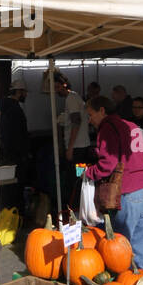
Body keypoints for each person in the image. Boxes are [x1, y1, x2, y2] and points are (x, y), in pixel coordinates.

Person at [84, 94, 143, 271]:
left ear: (102, 110)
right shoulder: (132, 126)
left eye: (91, 114)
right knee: (140, 252)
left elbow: (107, 165)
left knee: (119, 254)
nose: (89, 120)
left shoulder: (108, 126)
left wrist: (88, 172)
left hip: (130, 193)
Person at [53, 73, 90, 208]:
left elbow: (76, 122)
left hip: (77, 148)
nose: (56, 91)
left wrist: (70, 148)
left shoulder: (71, 98)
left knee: (75, 179)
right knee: (78, 177)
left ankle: (75, 208)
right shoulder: (74, 97)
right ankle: (77, 206)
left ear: (64, 85)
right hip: (80, 147)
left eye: (57, 87)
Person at [0, 82, 29, 211]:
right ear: (18, 92)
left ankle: (9, 212)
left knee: (9, 186)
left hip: (7, 152)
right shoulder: (15, 109)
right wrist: (24, 152)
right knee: (17, 186)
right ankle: (17, 214)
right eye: (24, 92)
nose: (26, 94)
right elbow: (18, 133)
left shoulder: (5, 107)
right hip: (17, 154)